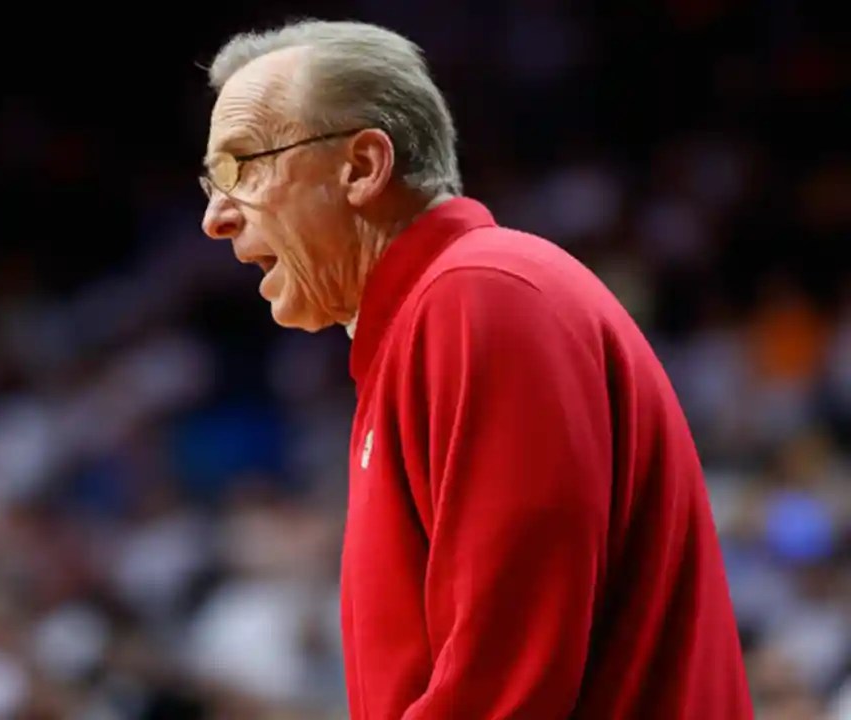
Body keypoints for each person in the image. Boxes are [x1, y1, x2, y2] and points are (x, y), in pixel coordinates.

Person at [198, 19, 753, 719]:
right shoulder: (432, 319)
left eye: (243, 167)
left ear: (364, 166)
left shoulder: (480, 294)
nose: (216, 217)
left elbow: (507, 684)